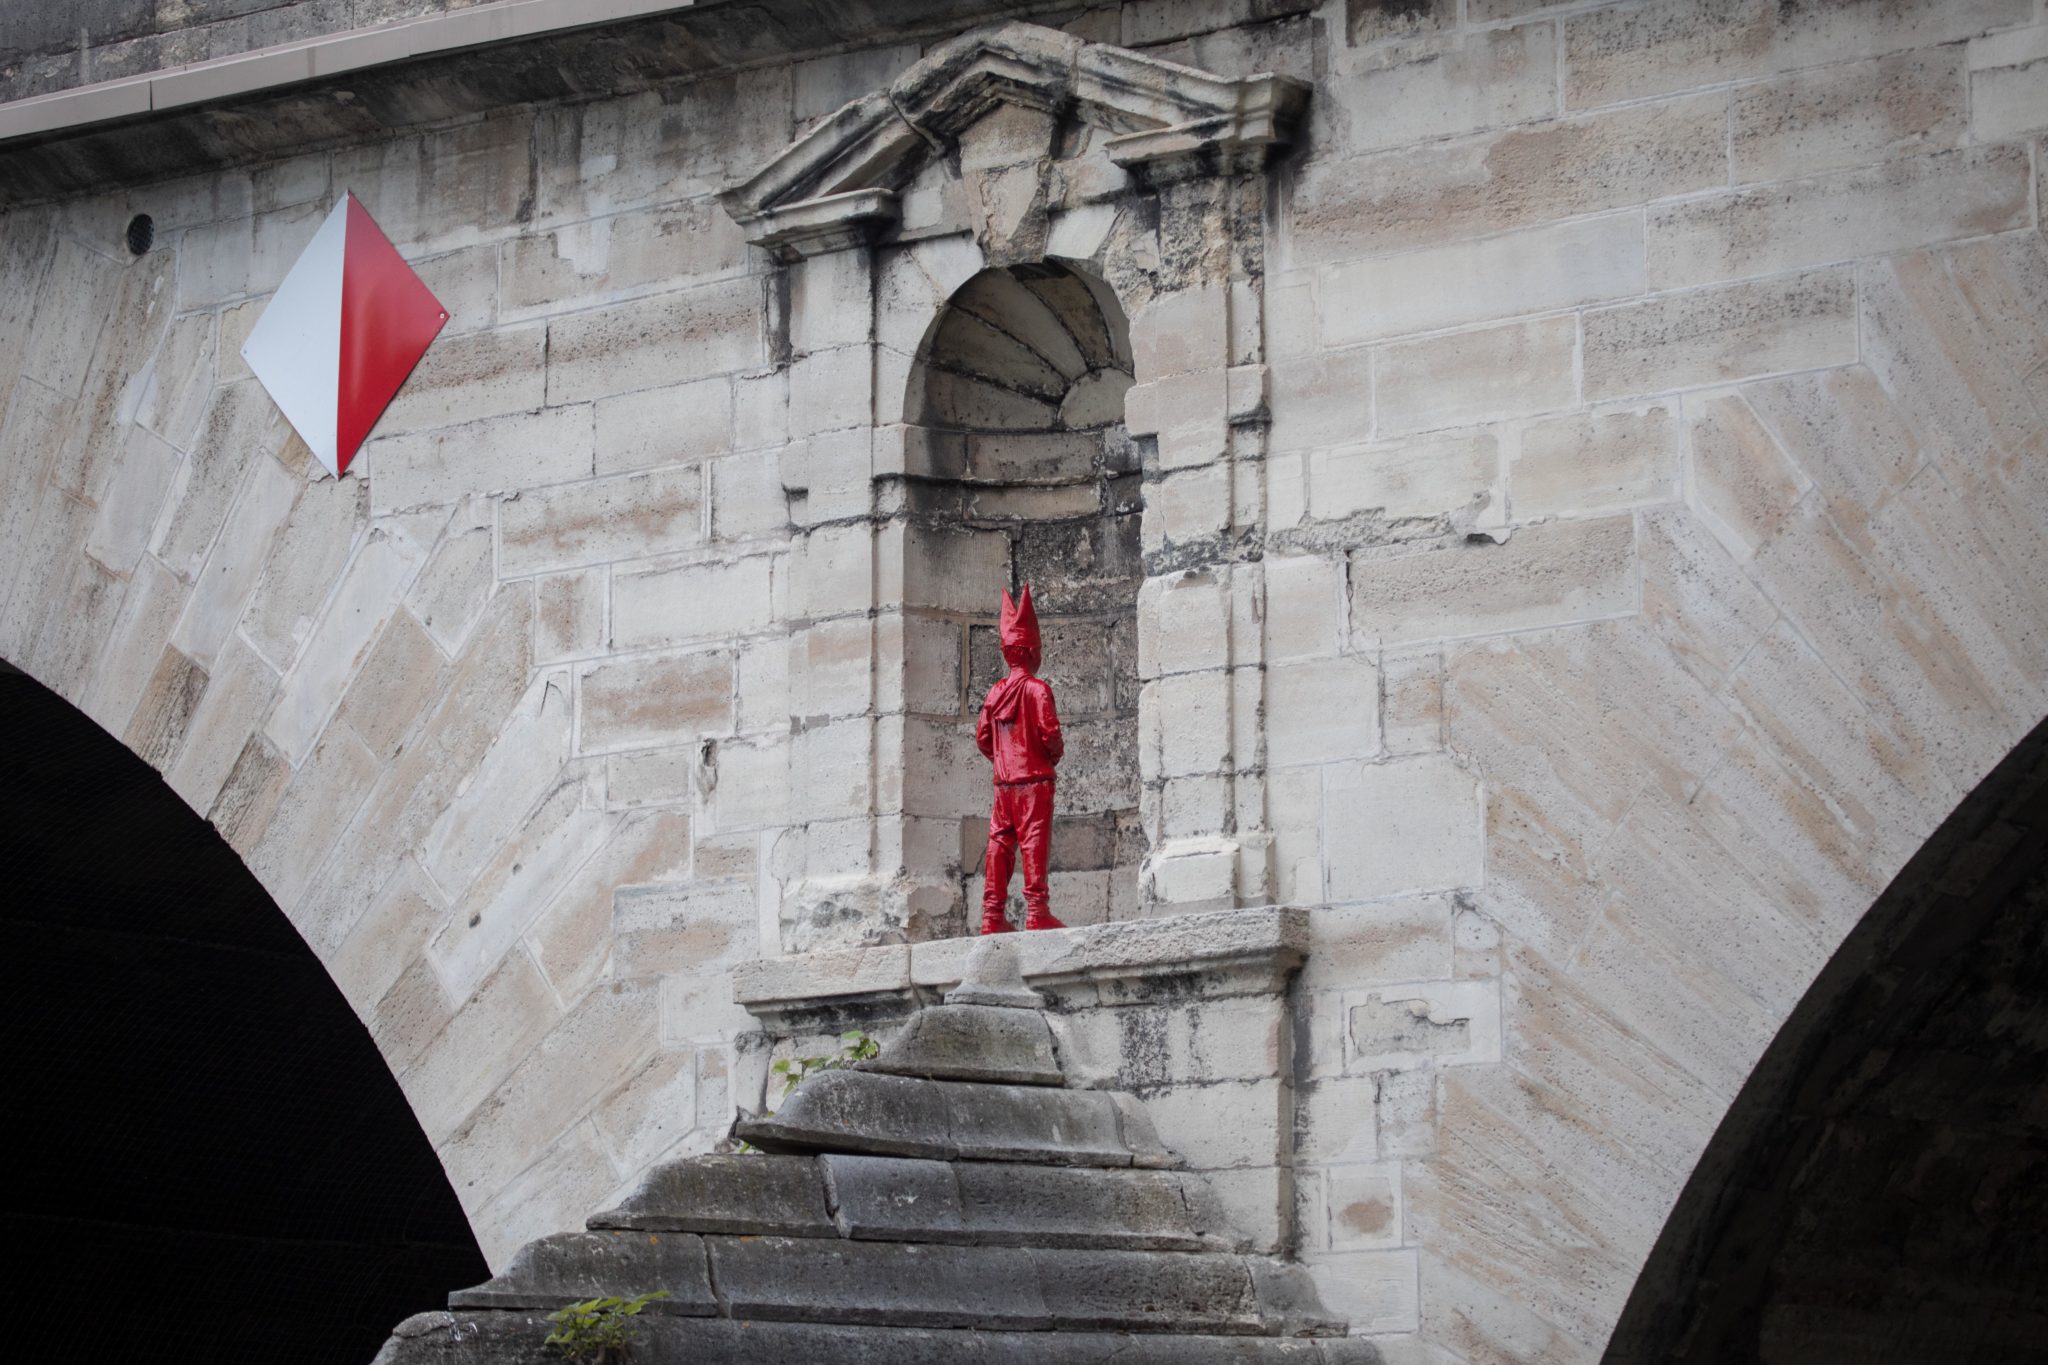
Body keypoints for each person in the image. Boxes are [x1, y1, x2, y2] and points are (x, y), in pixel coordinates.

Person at [975, 584, 1064, 933]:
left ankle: (992, 914)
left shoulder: (994, 693)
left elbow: (983, 738)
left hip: (1004, 783)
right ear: (1031, 651)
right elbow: (1050, 734)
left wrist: (1001, 760)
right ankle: (1037, 911)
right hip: (1034, 780)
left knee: (999, 843)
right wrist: (1052, 756)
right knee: (1033, 841)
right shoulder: (1038, 690)